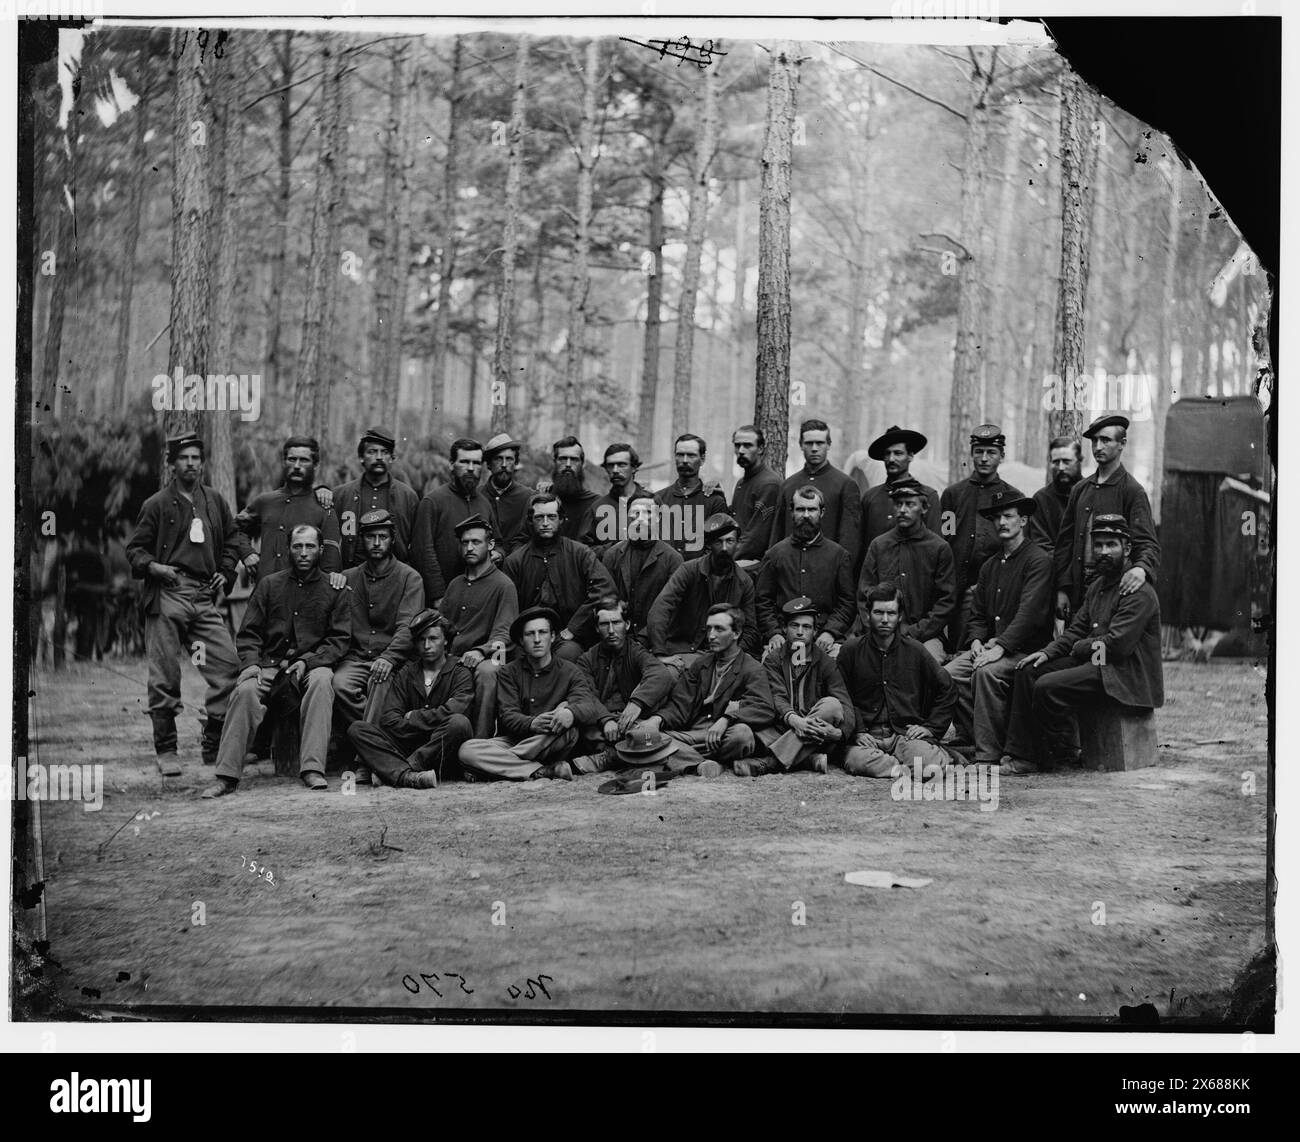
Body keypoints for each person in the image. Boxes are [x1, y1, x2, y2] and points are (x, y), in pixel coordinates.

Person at [1003, 514, 1164, 774]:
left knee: (1047, 686)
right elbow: (1076, 629)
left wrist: (1079, 648)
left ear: (1127, 548)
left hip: (1124, 674)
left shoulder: (1139, 591)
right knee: (1029, 671)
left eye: (1111, 544)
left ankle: (1054, 754)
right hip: (1098, 664)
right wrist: (1046, 652)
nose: (1103, 551)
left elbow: (1117, 647)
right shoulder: (1098, 585)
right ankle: (1023, 755)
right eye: (1098, 545)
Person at [202, 524, 350, 797]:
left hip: (311, 666)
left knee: (322, 681)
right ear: (289, 550)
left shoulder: (333, 588)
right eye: (297, 546)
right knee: (246, 690)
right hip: (270, 665)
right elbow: (249, 633)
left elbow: (339, 640)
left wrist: (308, 661)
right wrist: (252, 665)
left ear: (320, 550)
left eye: (309, 546)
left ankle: (312, 768)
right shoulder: (269, 585)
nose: (303, 553)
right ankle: (226, 776)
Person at [126, 432, 244, 774]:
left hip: (204, 595)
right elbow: (135, 549)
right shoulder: (156, 504)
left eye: (196, 458)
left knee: (226, 667)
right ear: (172, 464)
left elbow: (234, 538)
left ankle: (213, 743)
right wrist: (155, 567)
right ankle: (167, 751)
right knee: (165, 672)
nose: (190, 463)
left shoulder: (216, 501)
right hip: (169, 592)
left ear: (202, 463)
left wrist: (226, 571)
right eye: (184, 458)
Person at [943, 493, 1054, 765]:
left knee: (986, 672)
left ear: (1024, 521)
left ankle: (988, 755)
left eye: (1009, 516)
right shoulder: (990, 566)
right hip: (992, 648)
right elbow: (978, 614)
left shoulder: (1038, 561)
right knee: (946, 675)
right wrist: (977, 642)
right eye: (997, 518)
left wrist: (1001, 647)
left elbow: (1029, 615)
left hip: (1026, 651)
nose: (1002, 522)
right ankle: (980, 735)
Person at [458, 606, 602, 781]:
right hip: (518, 739)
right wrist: (532, 723)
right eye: (530, 634)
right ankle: (542, 771)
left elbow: (588, 705)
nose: (537, 640)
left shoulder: (570, 670)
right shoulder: (509, 672)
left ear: (553, 636)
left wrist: (570, 713)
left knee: (568, 729)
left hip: (551, 739)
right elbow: (508, 716)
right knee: (467, 750)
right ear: (521, 640)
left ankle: (496, 764)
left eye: (543, 632)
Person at [331, 510, 424, 779]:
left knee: (380, 681)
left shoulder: (410, 577)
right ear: (361, 540)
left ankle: (365, 761)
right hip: (357, 657)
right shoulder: (347, 577)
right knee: (339, 685)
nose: (376, 543)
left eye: (382, 537)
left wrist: (389, 657)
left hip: (395, 659)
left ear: (391, 539)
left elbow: (408, 627)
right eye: (370, 537)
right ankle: (387, 736)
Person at [838, 581, 956, 779]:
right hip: (868, 737)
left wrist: (930, 727)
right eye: (878, 613)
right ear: (867, 615)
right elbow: (840, 693)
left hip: (904, 735)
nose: (885, 619)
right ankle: (905, 767)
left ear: (900, 616)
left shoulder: (915, 650)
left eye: (891, 613)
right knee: (857, 761)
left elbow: (947, 688)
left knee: (928, 764)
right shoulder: (851, 650)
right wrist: (857, 730)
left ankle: (907, 764)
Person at [346, 609, 474, 789]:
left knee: (459, 724)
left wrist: (413, 717)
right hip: (407, 743)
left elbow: (457, 711)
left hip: (441, 747)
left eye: (433, 639)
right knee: (358, 729)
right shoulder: (406, 673)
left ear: (446, 640)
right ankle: (409, 776)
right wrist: (429, 720)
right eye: (421, 640)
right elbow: (390, 719)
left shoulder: (460, 671)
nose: (427, 645)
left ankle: (401, 770)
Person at [644, 603, 776, 776]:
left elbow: (764, 708)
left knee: (742, 735)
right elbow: (680, 704)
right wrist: (657, 720)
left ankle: (678, 757)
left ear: (736, 633)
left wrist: (727, 718)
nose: (711, 636)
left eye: (719, 629)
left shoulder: (751, 668)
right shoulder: (701, 664)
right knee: (646, 733)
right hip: (695, 733)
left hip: (724, 736)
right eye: (709, 629)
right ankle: (702, 764)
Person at [1053, 414, 1160, 621]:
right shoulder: (1080, 489)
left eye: (1105, 440)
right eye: (1094, 441)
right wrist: (1062, 588)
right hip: (1077, 589)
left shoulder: (1132, 490)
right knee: (1074, 644)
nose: (1098, 447)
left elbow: (1147, 543)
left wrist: (1141, 568)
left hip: (1113, 590)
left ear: (1122, 444)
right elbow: (1064, 543)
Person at [501, 492, 616, 661]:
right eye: (540, 517)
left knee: (568, 655)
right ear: (530, 521)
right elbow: (508, 607)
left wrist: (573, 628)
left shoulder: (580, 553)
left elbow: (605, 590)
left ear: (561, 519)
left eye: (552, 517)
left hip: (568, 636)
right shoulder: (515, 561)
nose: (546, 523)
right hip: (528, 637)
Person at [938, 423, 1023, 648]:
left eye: (991, 452)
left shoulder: (1013, 497)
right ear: (972, 454)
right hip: (958, 588)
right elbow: (945, 539)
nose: (984, 458)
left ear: (1001, 456)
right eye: (979, 452)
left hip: (997, 588)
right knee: (958, 646)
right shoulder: (953, 495)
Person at [570, 598, 674, 773]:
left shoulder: (636, 651)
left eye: (616, 622)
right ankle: (632, 756)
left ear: (626, 624)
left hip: (630, 721)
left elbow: (661, 674)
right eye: (604, 624)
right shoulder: (586, 659)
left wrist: (637, 703)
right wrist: (605, 720)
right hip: (601, 725)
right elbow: (586, 694)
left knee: (645, 733)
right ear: (596, 628)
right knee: (587, 733)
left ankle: (611, 758)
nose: (611, 630)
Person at [858, 477, 955, 661]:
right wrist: (877, 628)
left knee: (928, 661)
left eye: (909, 504)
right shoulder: (879, 545)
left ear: (924, 508)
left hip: (925, 636)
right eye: (898, 504)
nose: (902, 510)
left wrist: (913, 632)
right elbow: (865, 594)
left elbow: (946, 601)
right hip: (880, 632)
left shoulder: (939, 548)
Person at [754, 597, 854, 776]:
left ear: (815, 631)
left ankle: (773, 761)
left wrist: (839, 733)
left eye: (806, 627)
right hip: (782, 727)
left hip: (813, 729)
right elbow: (776, 696)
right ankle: (806, 759)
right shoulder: (774, 659)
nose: (800, 632)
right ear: (784, 628)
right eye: (794, 625)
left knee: (831, 705)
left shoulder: (824, 661)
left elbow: (844, 702)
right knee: (749, 728)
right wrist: (794, 720)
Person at [755, 485, 855, 657]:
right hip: (784, 638)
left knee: (839, 667)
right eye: (800, 509)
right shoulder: (775, 554)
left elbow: (847, 603)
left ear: (821, 512)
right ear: (792, 512)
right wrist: (774, 633)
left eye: (812, 510)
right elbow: (763, 601)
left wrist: (831, 632)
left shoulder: (838, 555)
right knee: (768, 668)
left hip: (824, 640)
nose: (806, 515)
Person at [646, 513, 759, 665]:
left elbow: (750, 629)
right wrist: (660, 653)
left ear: (738, 543)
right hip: (682, 651)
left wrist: (732, 655)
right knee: (663, 679)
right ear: (709, 545)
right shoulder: (689, 570)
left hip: (722, 656)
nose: (725, 548)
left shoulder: (744, 582)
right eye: (719, 542)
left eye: (730, 541)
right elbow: (661, 609)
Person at [237, 435, 342, 577]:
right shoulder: (265, 501)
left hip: (306, 593)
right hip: (265, 591)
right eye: (292, 459)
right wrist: (247, 553)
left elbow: (331, 560)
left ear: (315, 465)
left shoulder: (324, 508)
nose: (297, 466)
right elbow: (235, 529)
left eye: (304, 460)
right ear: (284, 462)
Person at [411, 437, 496, 606]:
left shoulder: (485, 503)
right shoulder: (433, 501)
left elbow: (497, 542)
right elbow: (423, 552)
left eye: (476, 463)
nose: (471, 468)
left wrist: (497, 553)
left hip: (478, 599)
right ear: (451, 464)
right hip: (442, 599)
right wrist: (438, 596)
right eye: (464, 462)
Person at [769, 418, 863, 568]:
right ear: (800, 445)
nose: (814, 448)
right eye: (809, 443)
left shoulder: (845, 484)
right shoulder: (788, 485)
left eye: (820, 443)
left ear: (829, 445)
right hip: (790, 570)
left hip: (827, 570)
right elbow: (777, 534)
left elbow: (850, 539)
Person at [600, 493, 683, 647]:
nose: (640, 519)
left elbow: (673, 610)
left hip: (655, 641)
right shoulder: (612, 555)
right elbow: (605, 600)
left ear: (658, 518)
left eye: (648, 513)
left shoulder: (673, 559)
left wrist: (644, 639)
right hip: (616, 639)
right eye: (635, 513)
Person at [331, 426, 420, 568]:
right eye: (372, 452)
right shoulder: (341, 495)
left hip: (393, 576)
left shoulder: (408, 496)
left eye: (384, 452)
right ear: (361, 457)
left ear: (391, 458)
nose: (379, 457)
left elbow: (415, 545)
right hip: (350, 576)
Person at [859, 425, 941, 557]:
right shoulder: (870, 497)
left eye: (898, 453)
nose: (891, 459)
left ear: (910, 456)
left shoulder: (928, 495)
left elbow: (935, 546)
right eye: (887, 453)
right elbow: (861, 544)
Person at [654, 433, 728, 558]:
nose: (685, 460)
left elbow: (718, 545)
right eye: (680, 455)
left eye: (691, 455)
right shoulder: (658, 499)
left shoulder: (714, 501)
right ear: (674, 457)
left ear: (702, 459)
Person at [730, 424, 782, 569]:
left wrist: (727, 560)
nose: (741, 451)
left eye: (747, 446)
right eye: (737, 445)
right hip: (737, 560)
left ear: (760, 449)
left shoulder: (769, 484)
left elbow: (756, 536)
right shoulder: (742, 482)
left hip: (753, 565)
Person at [591, 442, 652, 556]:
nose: (615, 470)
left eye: (621, 465)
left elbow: (667, 544)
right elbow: (585, 552)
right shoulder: (597, 507)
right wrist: (615, 547)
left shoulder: (652, 502)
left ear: (634, 467)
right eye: (610, 465)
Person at [481, 434, 534, 556]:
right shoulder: (478, 496)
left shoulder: (528, 497)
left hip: (518, 569)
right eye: (498, 459)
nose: (504, 464)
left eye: (509, 459)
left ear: (515, 463)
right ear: (488, 464)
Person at [1028, 435, 1083, 551]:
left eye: (1067, 461)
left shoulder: (1092, 493)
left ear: (1079, 461)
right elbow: (1040, 544)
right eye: (1056, 462)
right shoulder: (1041, 499)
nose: (1061, 467)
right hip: (1052, 566)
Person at [547, 436, 602, 546]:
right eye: (563, 459)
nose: (568, 464)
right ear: (554, 462)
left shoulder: (597, 505)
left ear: (583, 464)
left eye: (574, 459)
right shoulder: (541, 499)